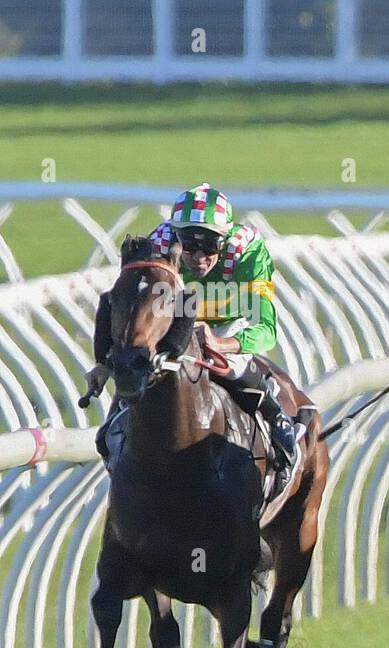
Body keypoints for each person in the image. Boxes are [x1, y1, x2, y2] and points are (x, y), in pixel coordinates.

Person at [85, 184, 299, 491]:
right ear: (176, 238)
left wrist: (220, 343)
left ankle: (278, 428)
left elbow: (266, 329)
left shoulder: (248, 251)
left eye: (210, 246)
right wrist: (106, 362)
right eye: (189, 245)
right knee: (140, 375)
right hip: (176, 320)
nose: (198, 257)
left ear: (225, 240)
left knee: (233, 367)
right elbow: (125, 307)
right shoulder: (158, 246)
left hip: (228, 323)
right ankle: (114, 435)